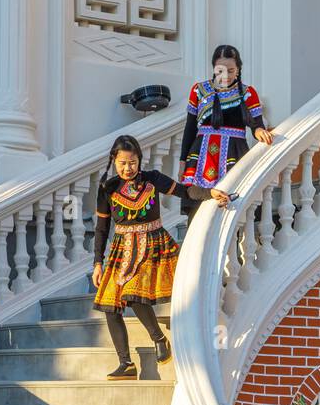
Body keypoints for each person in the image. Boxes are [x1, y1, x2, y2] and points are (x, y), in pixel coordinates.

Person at [92, 134, 228, 380]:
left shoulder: (153, 180)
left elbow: (185, 192)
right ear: (114, 161)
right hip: (121, 250)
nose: (127, 168)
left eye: (132, 162)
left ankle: (159, 339)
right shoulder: (107, 189)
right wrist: (97, 263)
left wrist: (210, 193)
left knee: (132, 294)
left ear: (139, 160)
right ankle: (126, 364)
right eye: (122, 163)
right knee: (111, 306)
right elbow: (101, 229)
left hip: (153, 246)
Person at [179, 45, 273, 220]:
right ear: (214, 68)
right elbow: (190, 128)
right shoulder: (199, 90)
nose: (226, 76)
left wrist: (259, 130)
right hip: (202, 157)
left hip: (234, 154)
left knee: (234, 207)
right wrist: (183, 161)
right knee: (198, 207)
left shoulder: (247, 93)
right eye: (220, 70)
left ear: (238, 69)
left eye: (231, 70)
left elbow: (256, 124)